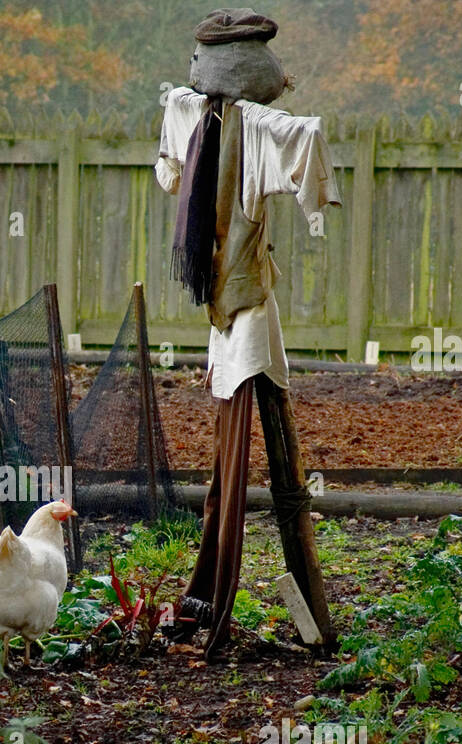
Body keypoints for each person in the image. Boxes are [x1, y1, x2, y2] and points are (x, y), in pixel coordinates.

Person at [157, 8, 341, 660]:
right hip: (234, 300)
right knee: (228, 451)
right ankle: (213, 593)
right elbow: (178, 126)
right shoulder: (198, 115)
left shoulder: (257, 129)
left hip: (247, 304)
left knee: (249, 445)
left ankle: (230, 595)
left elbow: (302, 141)